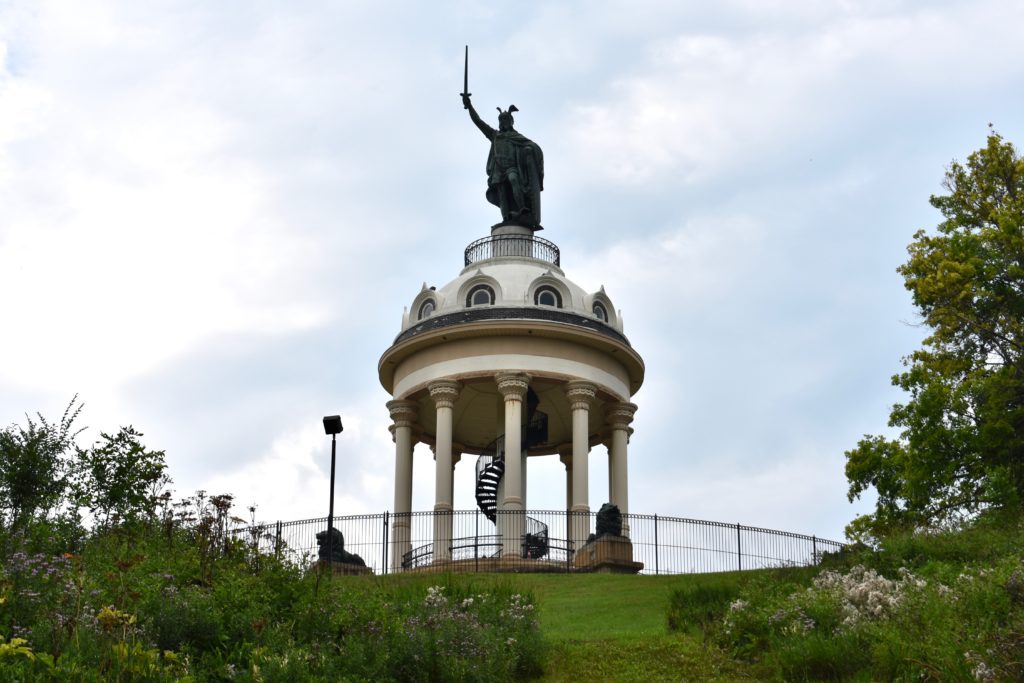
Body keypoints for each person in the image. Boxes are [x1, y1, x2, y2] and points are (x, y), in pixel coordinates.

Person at [462, 93, 544, 229]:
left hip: (511, 167)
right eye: (502, 120)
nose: (504, 122)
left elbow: (531, 146)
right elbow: (478, 122)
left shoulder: (516, 136)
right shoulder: (495, 135)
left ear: (511, 122)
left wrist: (529, 151)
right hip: (498, 170)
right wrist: (469, 105)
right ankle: (506, 218)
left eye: (506, 120)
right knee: (502, 193)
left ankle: (523, 208)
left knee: (513, 180)